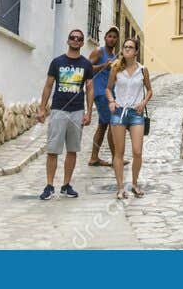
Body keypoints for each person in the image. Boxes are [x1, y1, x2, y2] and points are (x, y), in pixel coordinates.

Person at [38, 28, 95, 200]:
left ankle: (66, 184)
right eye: (73, 38)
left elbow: (90, 89)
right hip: (58, 109)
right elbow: (48, 85)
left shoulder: (86, 64)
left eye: (79, 39)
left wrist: (89, 112)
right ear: (68, 40)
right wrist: (42, 107)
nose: (76, 40)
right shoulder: (57, 62)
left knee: (72, 149)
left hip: (77, 111)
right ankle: (49, 185)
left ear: (82, 43)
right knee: (53, 150)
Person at [106, 37, 153, 198]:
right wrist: (111, 101)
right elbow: (108, 89)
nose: (127, 49)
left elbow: (150, 90)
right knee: (119, 153)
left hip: (136, 114)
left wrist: (144, 102)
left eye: (130, 47)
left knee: (137, 151)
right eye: (125, 47)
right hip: (119, 112)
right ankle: (120, 188)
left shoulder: (142, 70)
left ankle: (134, 183)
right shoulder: (116, 68)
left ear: (136, 51)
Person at [87, 26, 120, 167]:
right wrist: (102, 66)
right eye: (110, 36)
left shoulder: (114, 56)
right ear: (105, 37)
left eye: (114, 37)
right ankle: (115, 159)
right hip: (100, 93)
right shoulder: (99, 52)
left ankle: (94, 158)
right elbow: (86, 69)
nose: (112, 39)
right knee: (113, 124)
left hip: (109, 93)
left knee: (102, 126)